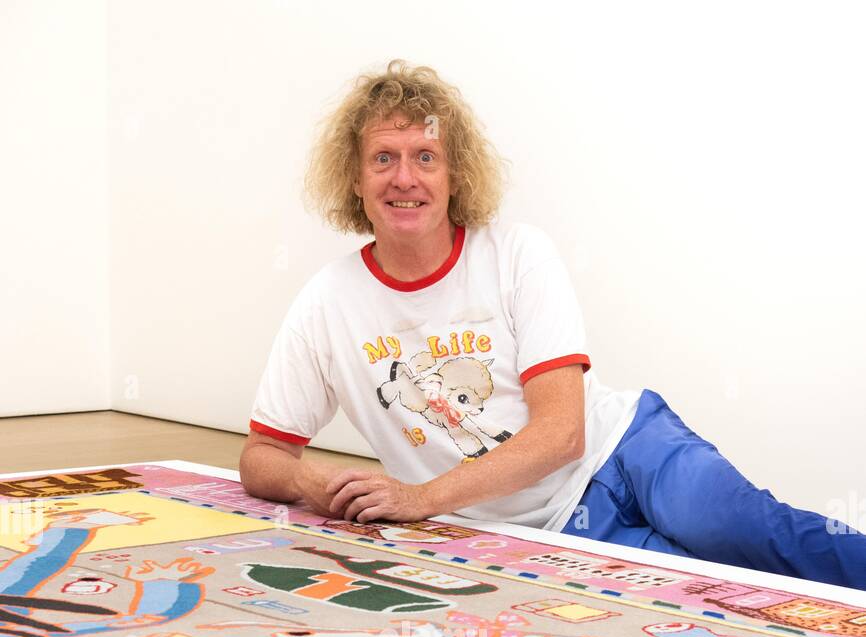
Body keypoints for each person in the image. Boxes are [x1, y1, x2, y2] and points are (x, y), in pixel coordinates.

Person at [241, 59, 866, 591]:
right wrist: (311, 480)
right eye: (384, 157)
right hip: (550, 529)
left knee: (753, 534)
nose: (405, 177)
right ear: (355, 178)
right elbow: (262, 455)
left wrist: (420, 499)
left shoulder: (518, 254)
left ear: (453, 176)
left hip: (628, 448)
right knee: (715, 595)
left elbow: (564, 433)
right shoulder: (327, 302)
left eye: (425, 157)